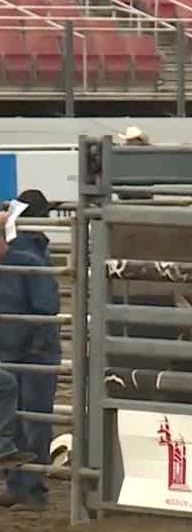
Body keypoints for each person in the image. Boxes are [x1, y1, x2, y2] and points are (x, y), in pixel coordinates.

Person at [0, 190, 61, 511]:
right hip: (32, 350)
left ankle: (27, 488)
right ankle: (28, 487)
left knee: (20, 420)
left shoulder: (19, 254)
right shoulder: (33, 254)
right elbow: (46, 308)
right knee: (32, 421)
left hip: (18, 349)